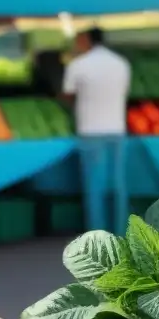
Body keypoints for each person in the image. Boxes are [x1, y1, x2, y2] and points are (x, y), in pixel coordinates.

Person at [62, 26, 131, 234]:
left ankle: (97, 233)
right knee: (118, 185)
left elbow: (68, 95)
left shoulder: (77, 65)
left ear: (85, 40)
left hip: (90, 131)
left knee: (94, 186)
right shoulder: (122, 63)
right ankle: (120, 231)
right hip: (117, 130)